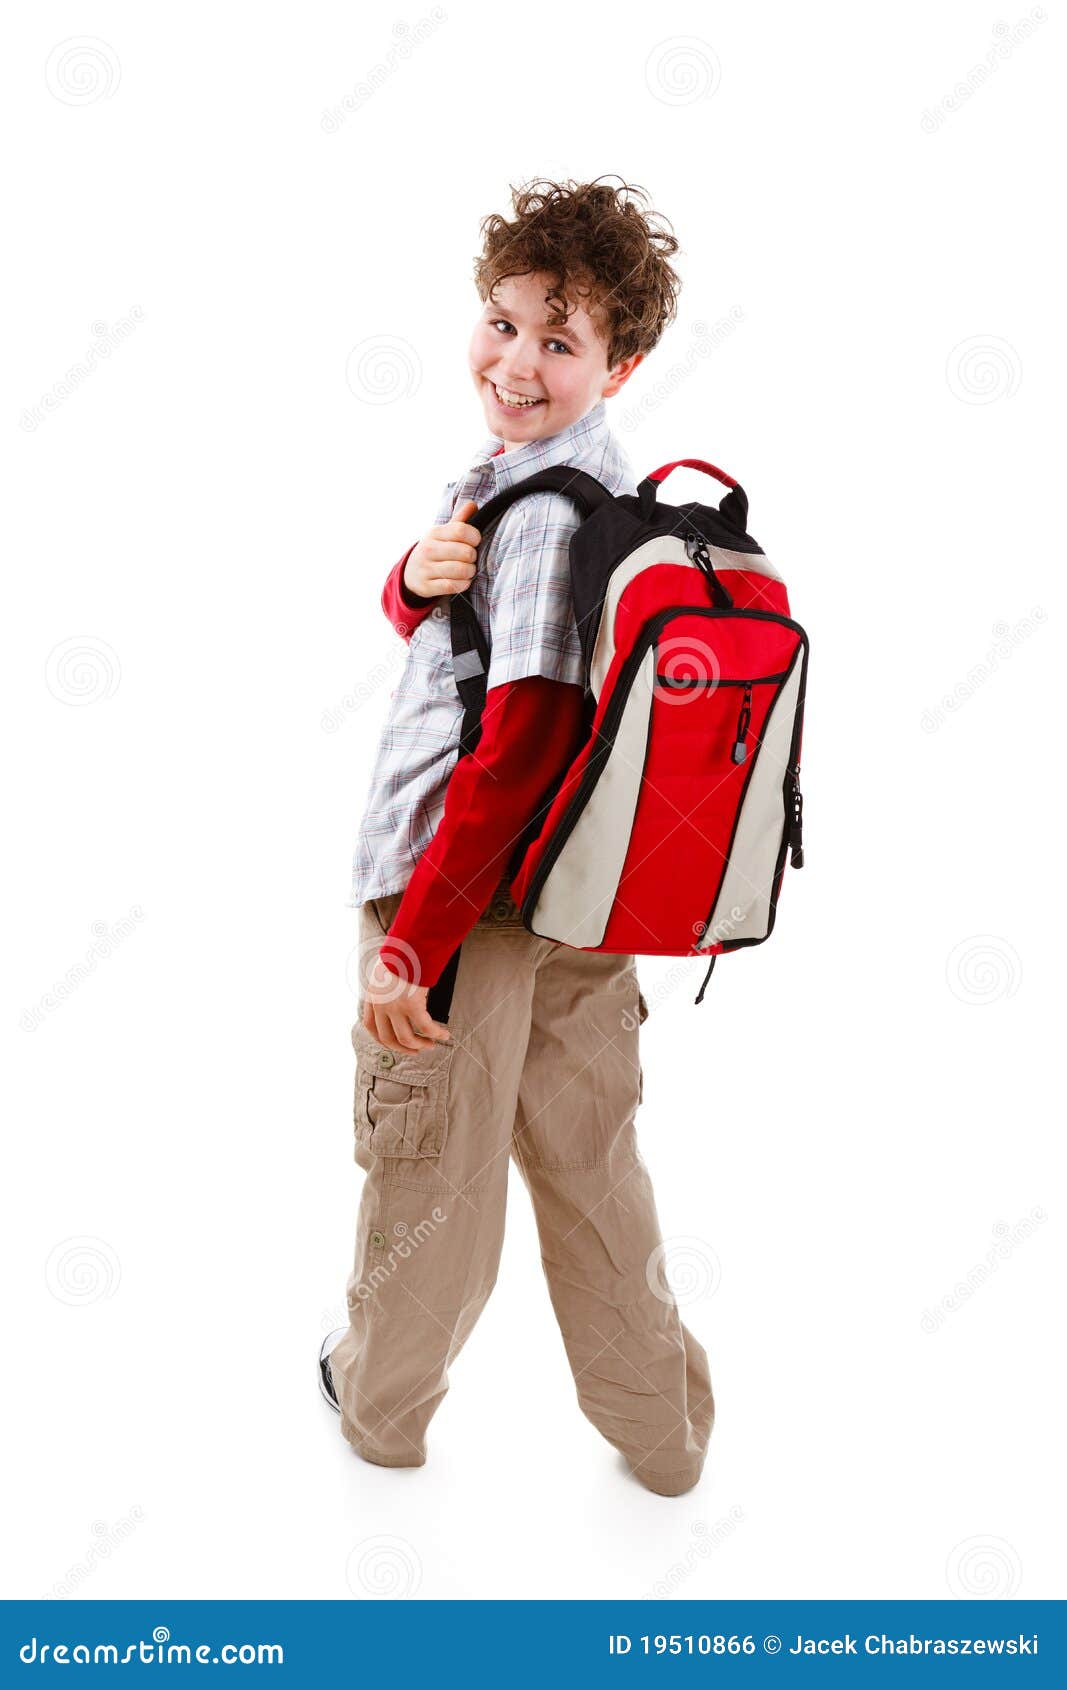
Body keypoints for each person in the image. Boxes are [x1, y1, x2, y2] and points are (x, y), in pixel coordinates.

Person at [321, 177, 714, 1496]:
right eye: (503, 323)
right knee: (594, 1168)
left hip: (468, 899)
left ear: (620, 362)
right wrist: (410, 578)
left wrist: (415, 944)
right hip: (575, 900)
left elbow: (519, 746)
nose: (518, 362)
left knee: (430, 1173)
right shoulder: (592, 486)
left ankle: (379, 1413)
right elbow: (471, 642)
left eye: (561, 339)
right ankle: (664, 1433)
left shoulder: (538, 514)